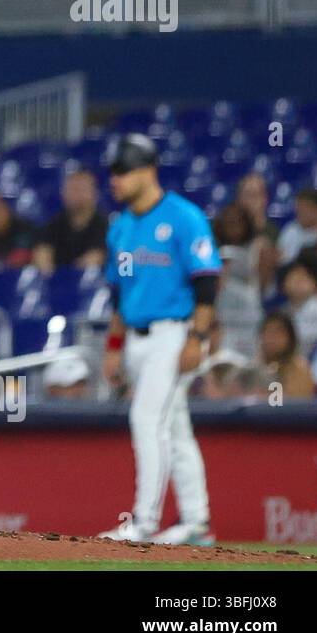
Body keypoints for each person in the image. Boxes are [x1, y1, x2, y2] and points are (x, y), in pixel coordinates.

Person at [98, 134, 220, 546]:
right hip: (136, 337)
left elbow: (206, 283)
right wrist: (114, 348)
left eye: (123, 170)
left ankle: (143, 523)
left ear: (149, 170)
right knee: (176, 427)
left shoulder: (183, 217)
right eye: (113, 171)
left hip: (174, 333)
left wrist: (197, 338)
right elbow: (119, 295)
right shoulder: (121, 229)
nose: (115, 179)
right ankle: (196, 522)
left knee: (147, 419)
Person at [33, 168, 108, 273]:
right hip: (58, 285)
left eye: (82, 189)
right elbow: (42, 253)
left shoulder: (107, 225)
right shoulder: (53, 225)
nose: (77, 195)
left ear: (95, 193)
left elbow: (97, 257)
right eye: (72, 189)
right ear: (63, 194)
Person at [256, 311, 316, 399]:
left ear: (290, 338)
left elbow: (297, 405)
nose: (271, 338)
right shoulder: (255, 367)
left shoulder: (300, 369)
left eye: (277, 333)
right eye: (267, 332)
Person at [277, 188, 317, 264]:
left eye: (305, 207)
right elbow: (281, 260)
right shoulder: (290, 230)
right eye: (298, 208)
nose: (300, 212)